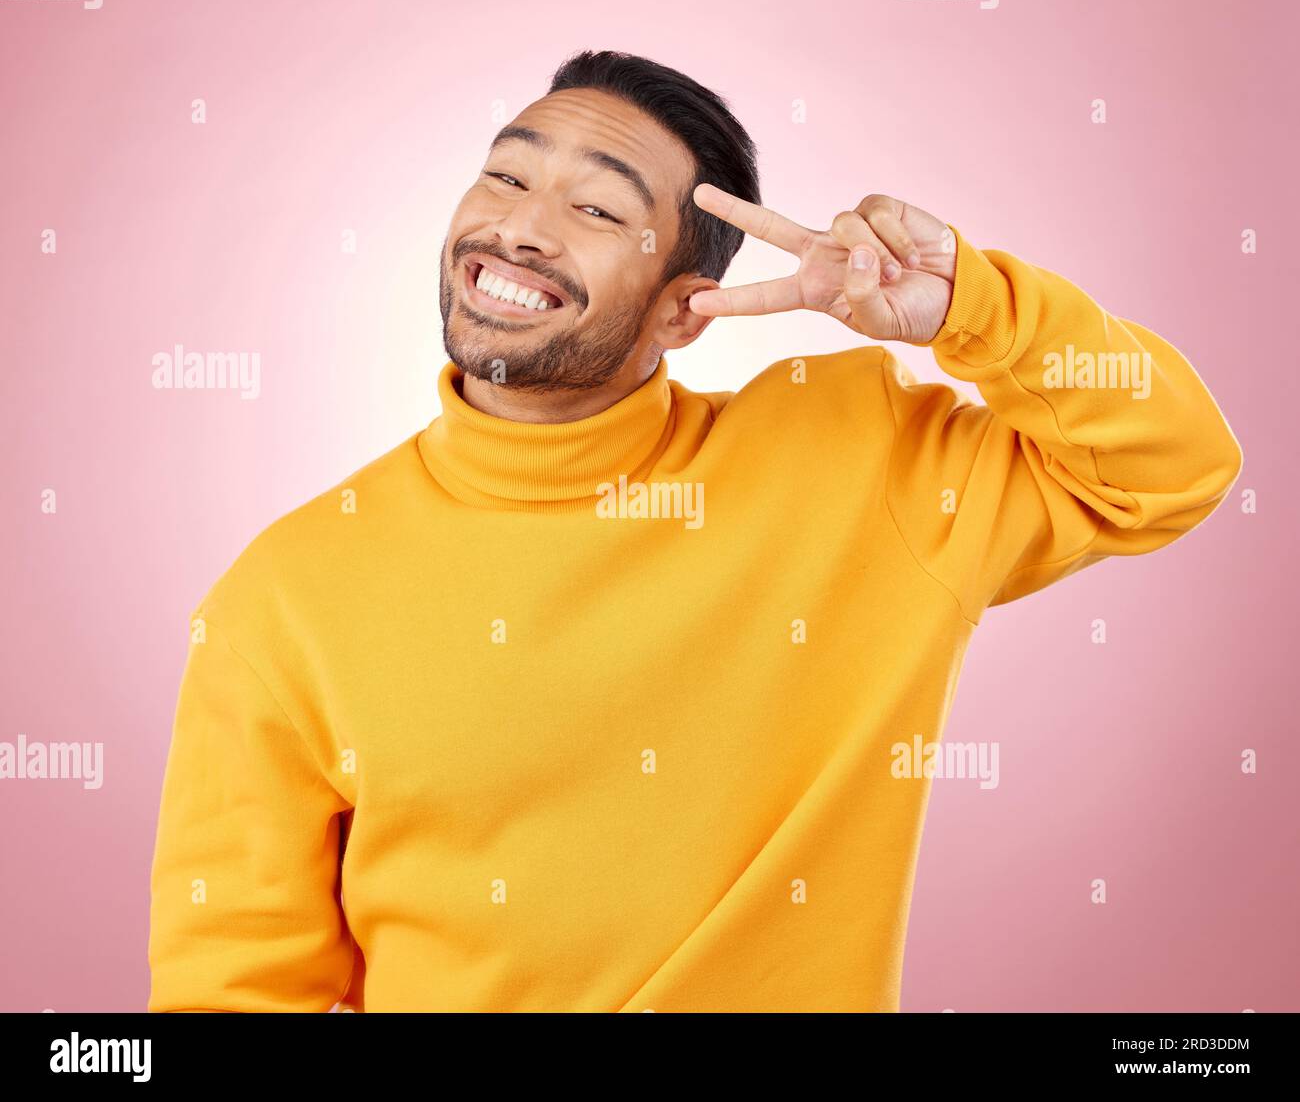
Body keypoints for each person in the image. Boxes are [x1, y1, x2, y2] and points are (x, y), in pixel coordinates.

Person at [148, 50, 1242, 1012]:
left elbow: (1171, 467)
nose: (519, 228)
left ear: (683, 306)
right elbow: (228, 987)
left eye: (596, 209)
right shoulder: (283, 593)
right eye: (507, 173)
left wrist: (973, 307)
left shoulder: (855, 459)